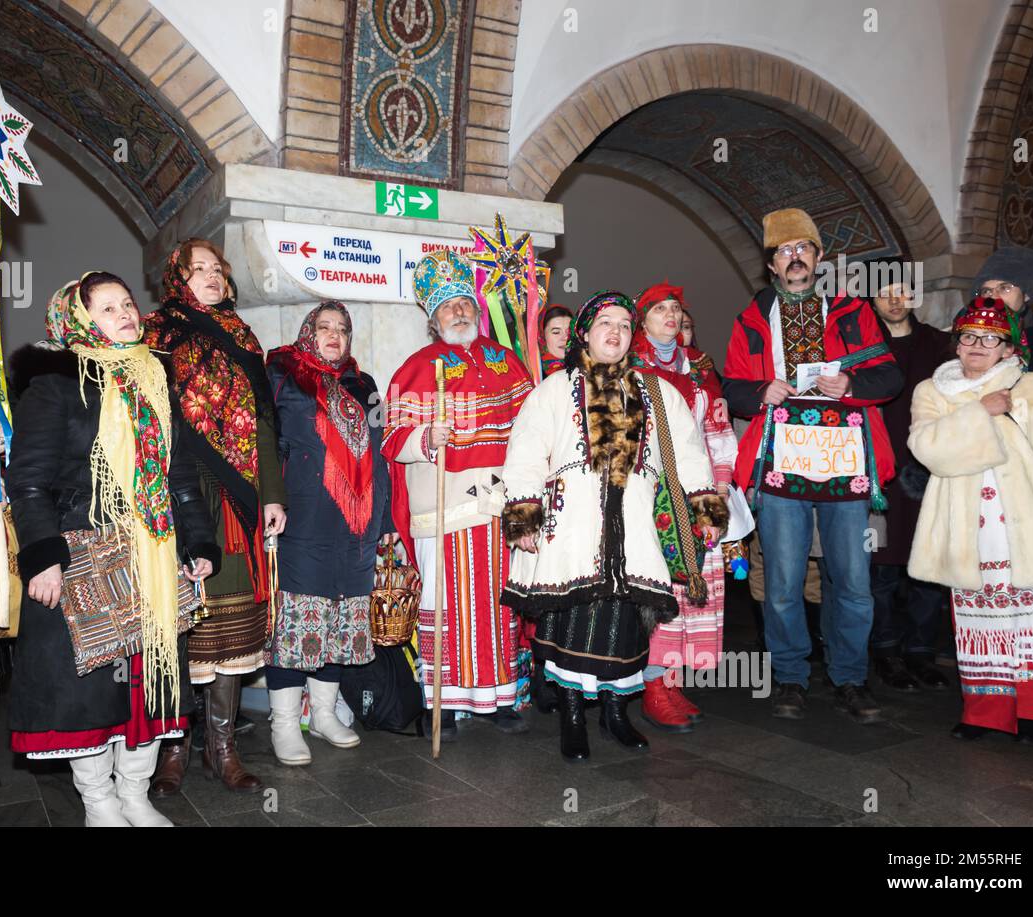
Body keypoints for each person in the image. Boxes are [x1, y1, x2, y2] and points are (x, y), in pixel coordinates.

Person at [7, 273, 218, 826]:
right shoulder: (56, 382)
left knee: (153, 683)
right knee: (93, 691)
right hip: (82, 551)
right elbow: (27, 478)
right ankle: (99, 803)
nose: (126, 314)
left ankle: (134, 795)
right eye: (107, 308)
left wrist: (199, 542)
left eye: (127, 304)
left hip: (152, 552)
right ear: (80, 320)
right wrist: (42, 555)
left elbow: (178, 477)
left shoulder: (154, 377)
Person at [501, 291, 726, 760]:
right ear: (584, 332)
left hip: (635, 529)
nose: (616, 332)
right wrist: (523, 512)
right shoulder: (554, 389)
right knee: (570, 625)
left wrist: (705, 509)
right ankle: (573, 718)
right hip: (572, 532)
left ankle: (616, 713)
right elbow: (524, 452)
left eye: (625, 324)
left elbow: (688, 451)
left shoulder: (657, 392)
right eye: (606, 322)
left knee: (625, 625)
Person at [722, 207, 903, 723]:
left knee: (851, 580)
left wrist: (851, 385)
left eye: (803, 248)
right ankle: (791, 679)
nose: (794, 258)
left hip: (847, 464)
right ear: (771, 266)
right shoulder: (751, 318)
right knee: (781, 581)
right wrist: (761, 391)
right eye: (783, 251)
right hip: (781, 463)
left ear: (818, 258)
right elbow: (731, 385)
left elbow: (889, 377)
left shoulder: (853, 311)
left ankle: (850, 678)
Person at [144, 238, 284, 794]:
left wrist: (272, 495)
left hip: (238, 495)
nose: (209, 276)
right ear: (177, 278)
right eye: (196, 269)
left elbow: (266, 424)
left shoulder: (244, 337)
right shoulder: (156, 331)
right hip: (179, 490)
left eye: (216, 270)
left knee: (231, 623)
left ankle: (222, 747)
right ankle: (174, 747)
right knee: (182, 618)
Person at [382, 250, 533, 740]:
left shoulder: (507, 362)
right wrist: (426, 437)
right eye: (447, 308)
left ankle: (501, 695)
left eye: (464, 303)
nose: (459, 312)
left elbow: (533, 427)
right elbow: (390, 436)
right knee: (447, 604)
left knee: (498, 604)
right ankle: (443, 701)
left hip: (500, 503)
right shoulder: (417, 366)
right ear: (432, 319)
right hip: (445, 506)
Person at [908, 298, 1033, 745]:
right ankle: (984, 713)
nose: (977, 345)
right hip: (966, 526)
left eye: (990, 339)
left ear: (1007, 348)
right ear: (956, 345)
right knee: (979, 624)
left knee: (1032, 616)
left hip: (1027, 521)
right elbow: (927, 449)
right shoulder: (931, 392)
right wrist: (981, 411)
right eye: (968, 337)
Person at [264, 302, 396, 765]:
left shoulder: (365, 386)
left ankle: (323, 713)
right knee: (298, 620)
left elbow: (379, 452)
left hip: (356, 525)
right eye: (324, 328)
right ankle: (284, 723)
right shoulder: (282, 372)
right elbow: (264, 440)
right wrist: (269, 497)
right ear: (308, 332)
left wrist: (385, 523)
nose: (334, 336)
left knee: (340, 618)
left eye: (342, 329)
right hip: (303, 516)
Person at [630, 283, 744, 731]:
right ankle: (651, 686)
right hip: (650, 495)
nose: (671, 315)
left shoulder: (699, 367)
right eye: (660, 309)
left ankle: (672, 681)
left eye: (676, 309)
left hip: (695, 490)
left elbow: (717, 428)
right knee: (661, 589)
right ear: (643, 320)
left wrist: (717, 495)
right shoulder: (631, 367)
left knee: (693, 590)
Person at [862, 263, 952, 691]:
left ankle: (921, 652)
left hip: (929, 475)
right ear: (870, 298)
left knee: (929, 569)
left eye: (902, 291)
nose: (895, 300)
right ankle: (886, 651)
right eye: (885, 293)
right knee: (879, 570)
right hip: (876, 478)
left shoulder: (938, 344)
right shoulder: (861, 348)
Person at [969, 246, 1033, 408]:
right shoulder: (963, 341)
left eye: (1005, 288)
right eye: (986, 291)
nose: (993, 297)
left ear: (1026, 294)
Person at [539, 303, 573, 378]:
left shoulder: (589, 370)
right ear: (542, 337)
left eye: (569, 332)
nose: (565, 337)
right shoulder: (532, 377)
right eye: (556, 332)